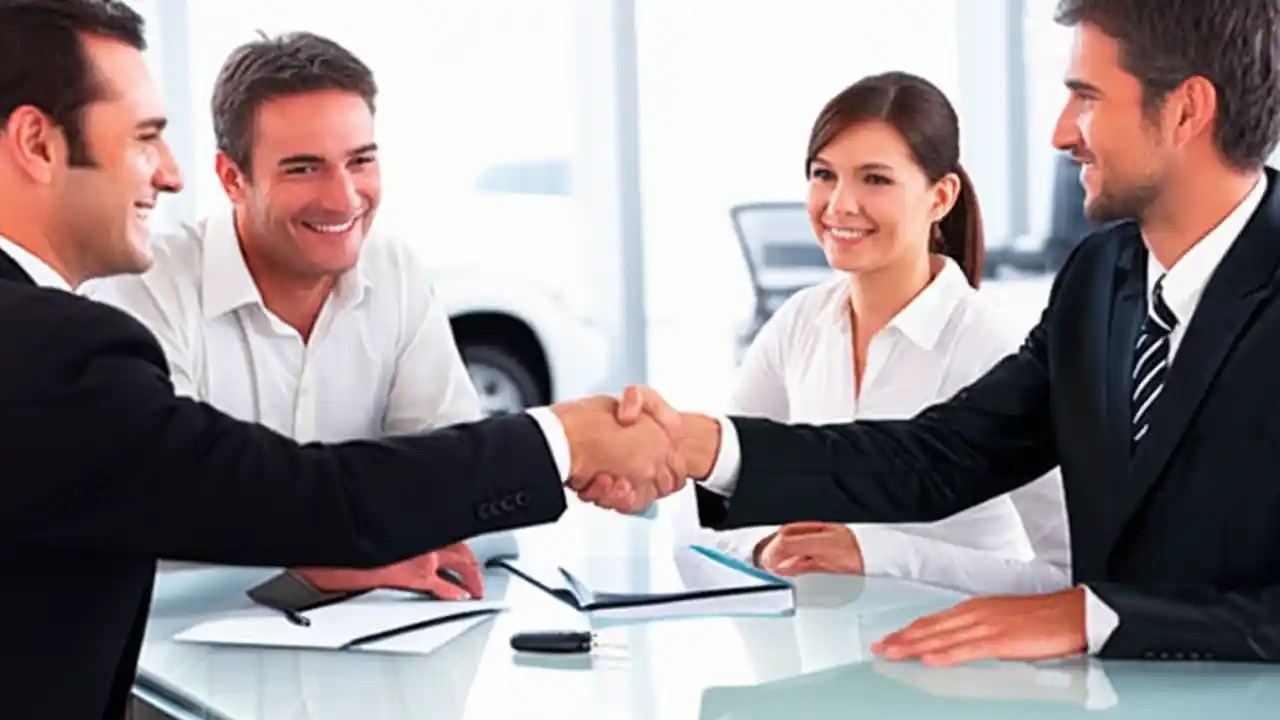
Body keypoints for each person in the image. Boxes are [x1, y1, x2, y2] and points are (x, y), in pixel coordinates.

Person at [0, 2, 682, 717]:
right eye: (144, 138)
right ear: (38, 145)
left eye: (361, 160)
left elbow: (447, 502)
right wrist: (563, 440)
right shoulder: (65, 343)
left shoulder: (393, 273)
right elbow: (245, 500)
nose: (168, 175)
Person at [616, 0, 1280, 666]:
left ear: (1188, 110)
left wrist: (1094, 614)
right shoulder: (1098, 279)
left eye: (1085, 97)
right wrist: (701, 445)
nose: (1059, 133)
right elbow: (939, 455)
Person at [86, 31, 498, 601]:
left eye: (361, 161)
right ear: (233, 179)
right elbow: (170, 514)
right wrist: (339, 557)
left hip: (383, 635)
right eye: (305, 169)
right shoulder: (143, 291)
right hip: (180, 654)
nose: (345, 198)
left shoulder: (394, 272)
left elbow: (450, 476)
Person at [679, 72, 1070, 596]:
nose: (839, 204)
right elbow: (697, 511)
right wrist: (764, 548)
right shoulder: (800, 322)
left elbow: (1068, 577)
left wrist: (876, 555)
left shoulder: (992, 347)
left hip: (962, 670)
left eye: (875, 179)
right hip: (819, 664)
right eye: (824, 175)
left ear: (940, 197)